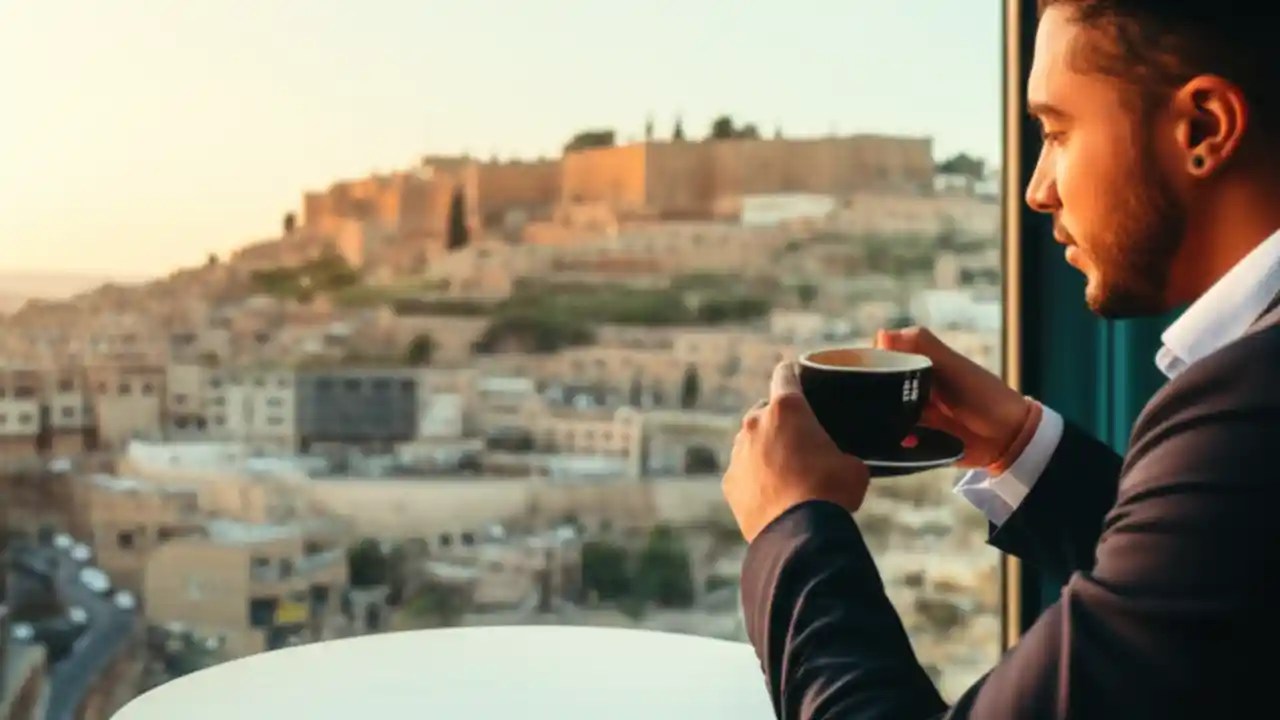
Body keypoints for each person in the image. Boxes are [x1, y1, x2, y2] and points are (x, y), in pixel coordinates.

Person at [721, 2, 1280, 718]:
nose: (1037, 188)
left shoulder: (1249, 414)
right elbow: (1214, 590)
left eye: (1056, 131)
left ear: (1203, 128)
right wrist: (1018, 446)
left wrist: (793, 528)